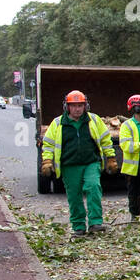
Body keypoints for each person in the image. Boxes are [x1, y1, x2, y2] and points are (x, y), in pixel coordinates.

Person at [40, 90, 117, 238]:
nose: (77, 109)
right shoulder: (57, 123)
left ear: (85, 106)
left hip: (91, 162)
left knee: (93, 186)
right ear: (67, 107)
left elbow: (106, 140)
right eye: (73, 106)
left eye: (80, 105)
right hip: (69, 166)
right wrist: (47, 161)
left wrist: (111, 158)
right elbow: (48, 145)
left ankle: (95, 223)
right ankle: (79, 226)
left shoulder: (93, 120)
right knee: (74, 196)